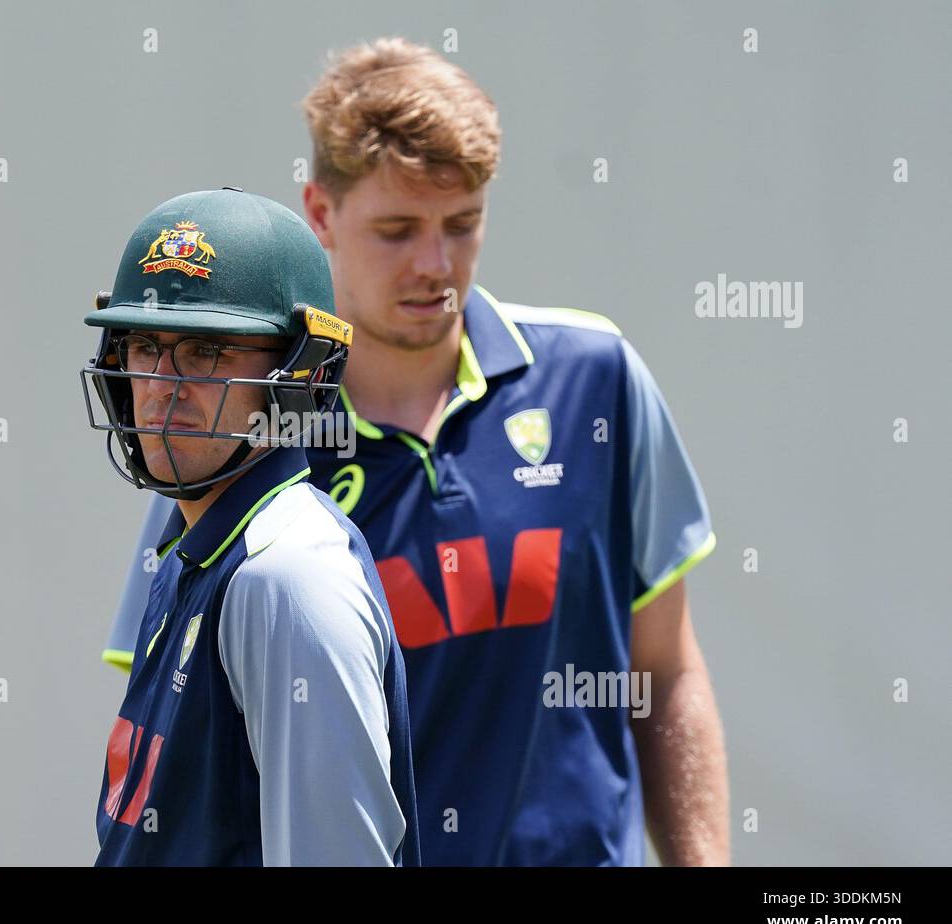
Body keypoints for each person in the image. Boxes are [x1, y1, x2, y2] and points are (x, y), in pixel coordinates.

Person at [104, 39, 729, 866]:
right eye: (398, 230)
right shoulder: (243, 435)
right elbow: (181, 738)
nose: (436, 266)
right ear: (320, 213)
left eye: (462, 225)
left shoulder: (597, 381)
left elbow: (666, 670)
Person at [82, 186, 419, 866]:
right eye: (146, 344)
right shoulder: (194, 549)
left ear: (298, 375)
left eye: (207, 353)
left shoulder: (288, 577)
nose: (163, 382)